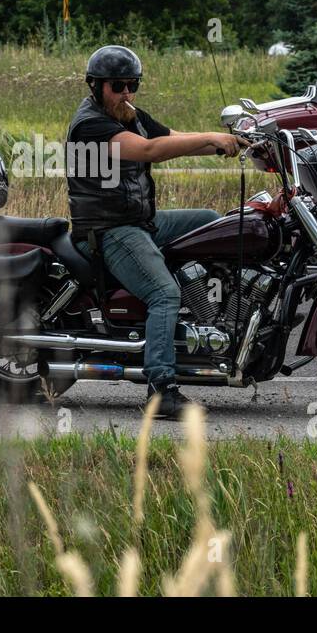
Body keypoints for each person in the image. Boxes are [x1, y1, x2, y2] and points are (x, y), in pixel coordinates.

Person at [66, 45, 245, 419]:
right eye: (119, 85)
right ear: (96, 86)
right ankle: (161, 390)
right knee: (164, 294)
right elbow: (150, 150)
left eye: (133, 84)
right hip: (109, 229)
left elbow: (171, 135)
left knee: (212, 221)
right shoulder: (91, 125)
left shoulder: (128, 114)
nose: (127, 93)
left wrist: (234, 143)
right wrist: (211, 137)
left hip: (140, 220)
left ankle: (213, 313)